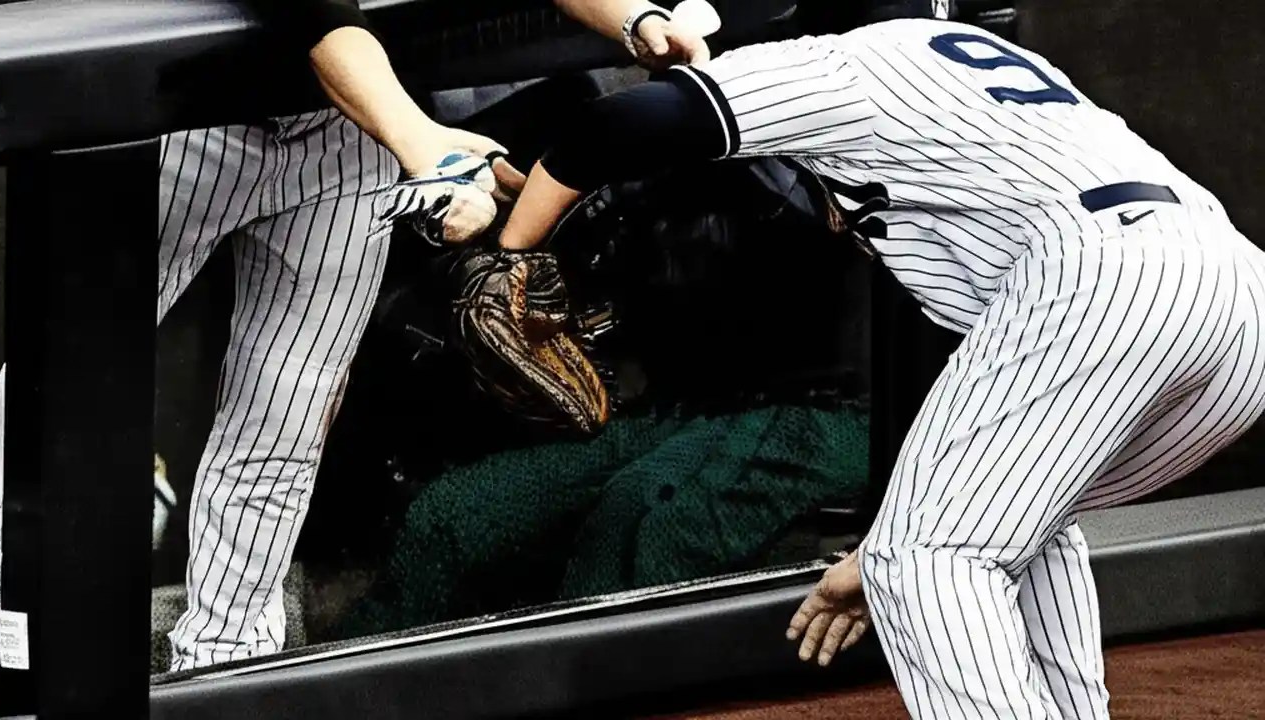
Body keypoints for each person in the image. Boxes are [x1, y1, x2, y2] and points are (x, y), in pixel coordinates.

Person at [493, 17, 1265, 719]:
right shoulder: (981, 71)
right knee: (1017, 525)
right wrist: (890, 537)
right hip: (1232, 300)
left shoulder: (839, 60)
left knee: (928, 561)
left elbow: (625, 122)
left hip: (1106, 274)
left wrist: (511, 256)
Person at [0, 0, 708, 670]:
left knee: (287, 416)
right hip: (181, 120)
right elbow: (312, 10)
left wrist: (633, 17)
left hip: (344, 138)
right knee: (65, 396)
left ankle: (228, 654)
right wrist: (422, 143)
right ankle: (9, 640)